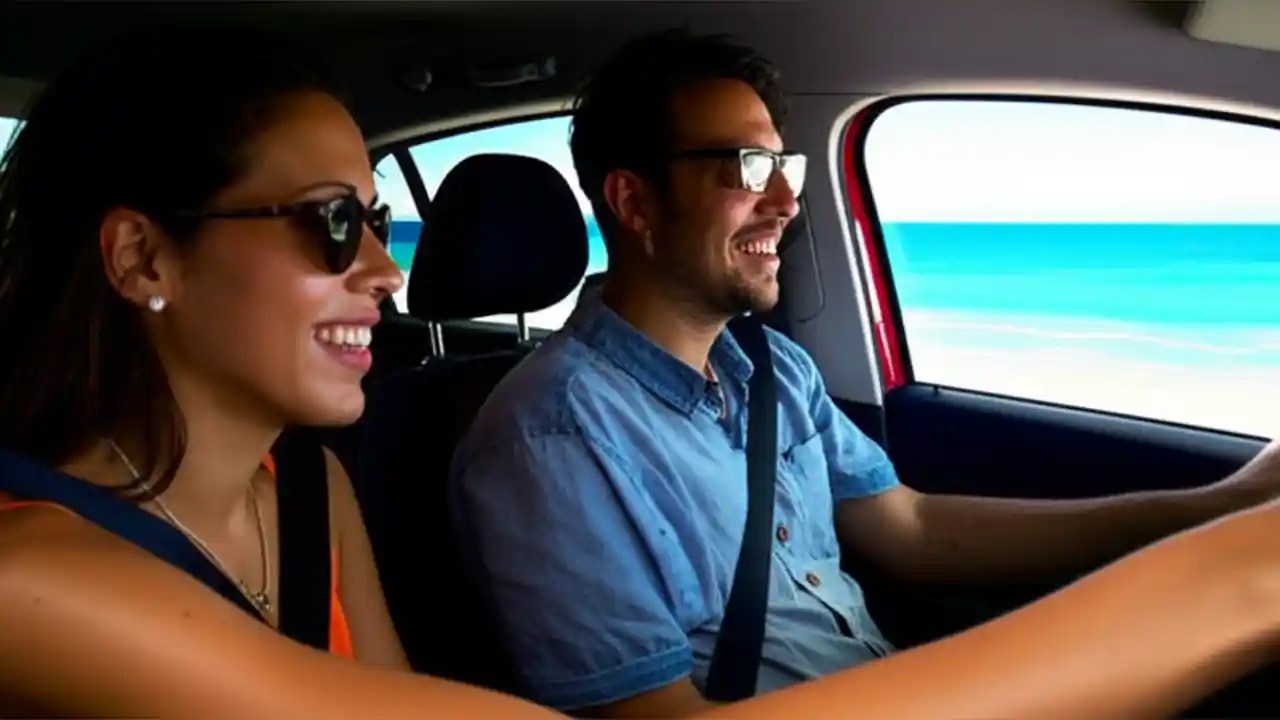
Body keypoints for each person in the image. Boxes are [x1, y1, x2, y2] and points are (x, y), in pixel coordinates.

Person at [449, 29, 1280, 718]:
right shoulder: (548, 438)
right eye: (745, 168)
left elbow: (912, 531)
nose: (785, 200)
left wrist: (1215, 507)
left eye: (785, 168)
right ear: (633, 204)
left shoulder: (772, 368)